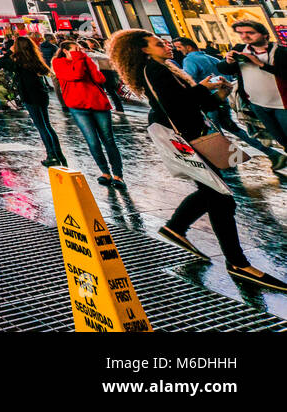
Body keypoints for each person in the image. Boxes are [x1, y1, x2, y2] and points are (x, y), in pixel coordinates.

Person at [108, 28, 287, 291]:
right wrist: (203, 88)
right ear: (144, 49)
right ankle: (236, 262)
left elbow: (186, 102)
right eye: (159, 44)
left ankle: (180, 229)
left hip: (191, 133)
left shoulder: (163, 67)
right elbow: (175, 105)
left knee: (215, 195)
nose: (167, 46)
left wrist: (213, 93)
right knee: (220, 197)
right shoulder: (156, 70)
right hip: (185, 137)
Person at [52, 41, 126, 188]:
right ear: (65, 51)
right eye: (75, 50)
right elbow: (76, 75)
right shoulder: (58, 63)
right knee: (92, 141)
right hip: (78, 106)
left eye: (80, 49)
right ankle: (105, 171)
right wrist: (79, 58)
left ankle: (118, 174)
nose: (79, 51)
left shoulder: (86, 60)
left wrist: (85, 60)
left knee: (109, 139)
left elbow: (100, 79)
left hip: (98, 103)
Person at [217, 20, 287, 158]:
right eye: (241, 33)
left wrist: (259, 63)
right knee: (281, 140)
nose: (245, 36)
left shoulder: (280, 52)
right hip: (257, 104)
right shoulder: (240, 50)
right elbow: (224, 69)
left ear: (265, 35)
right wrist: (228, 62)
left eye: (250, 33)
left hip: (282, 104)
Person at [0, 36, 66, 167]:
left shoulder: (18, 62)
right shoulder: (34, 58)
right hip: (41, 93)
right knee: (47, 125)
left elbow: (1, 62)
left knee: (41, 126)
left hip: (29, 95)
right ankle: (58, 153)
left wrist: (10, 51)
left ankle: (51, 154)